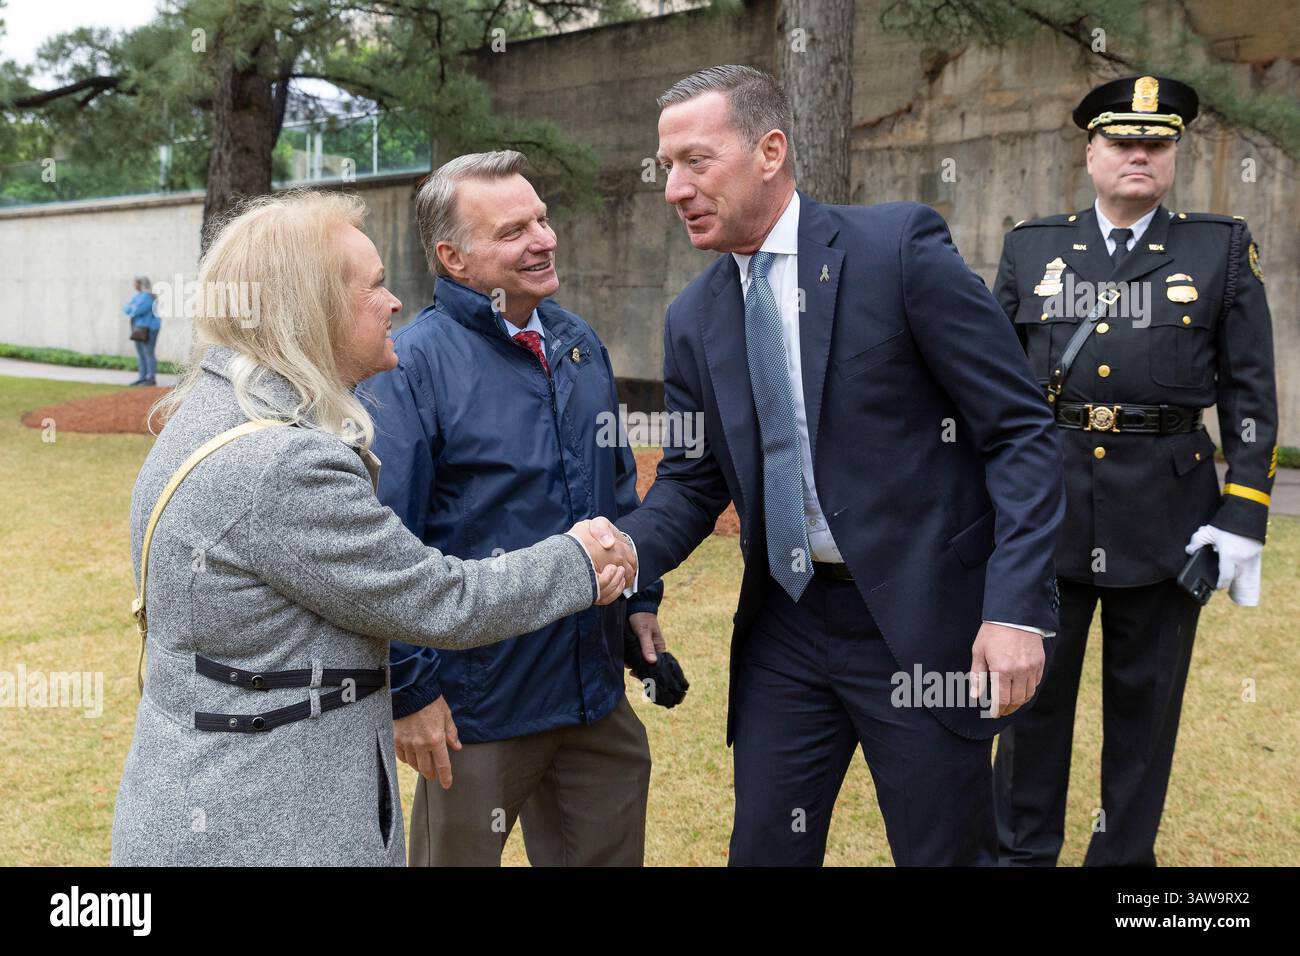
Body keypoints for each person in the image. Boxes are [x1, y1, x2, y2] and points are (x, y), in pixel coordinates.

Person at [617, 65, 1065, 866]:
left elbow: (1021, 430)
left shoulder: (896, 250)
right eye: (666, 166)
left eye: (694, 161)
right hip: (787, 628)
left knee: (944, 853)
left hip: (922, 624)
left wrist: (1016, 609)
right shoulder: (693, 319)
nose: (672, 187)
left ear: (770, 151)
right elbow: (690, 483)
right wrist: (615, 560)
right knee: (764, 849)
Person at [111, 189, 633, 867]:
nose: (394, 303)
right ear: (314, 311)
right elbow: (438, 598)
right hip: (270, 828)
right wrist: (579, 562)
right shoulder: (287, 462)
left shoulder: (209, 410)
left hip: (203, 799)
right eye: (377, 285)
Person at [992, 75, 1279, 866]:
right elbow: (995, 394)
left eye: (1157, 142)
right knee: (1031, 709)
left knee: (1144, 713)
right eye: (1122, 140)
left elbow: (1250, 395)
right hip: (1046, 520)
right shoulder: (1032, 247)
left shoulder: (1218, 247)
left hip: (1168, 520)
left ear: (1174, 155)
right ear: (1091, 152)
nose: (1140, 154)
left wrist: (1244, 510)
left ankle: (1122, 867)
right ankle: (1020, 854)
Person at [362, 151, 676, 867]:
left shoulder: (577, 344)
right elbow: (383, 549)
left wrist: (638, 601)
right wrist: (409, 693)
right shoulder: (409, 370)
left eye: (541, 217)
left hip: (594, 698)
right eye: (513, 230)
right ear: (455, 257)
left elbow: (616, 491)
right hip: (476, 712)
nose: (544, 238)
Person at [124, 276, 160, 386]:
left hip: (149, 329)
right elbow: (126, 308)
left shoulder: (148, 297)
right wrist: (131, 308)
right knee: (141, 354)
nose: (134, 285)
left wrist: (131, 307)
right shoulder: (139, 296)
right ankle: (142, 377)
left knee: (148, 353)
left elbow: (137, 310)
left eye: (136, 283)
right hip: (138, 329)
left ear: (141, 284)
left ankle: (150, 378)